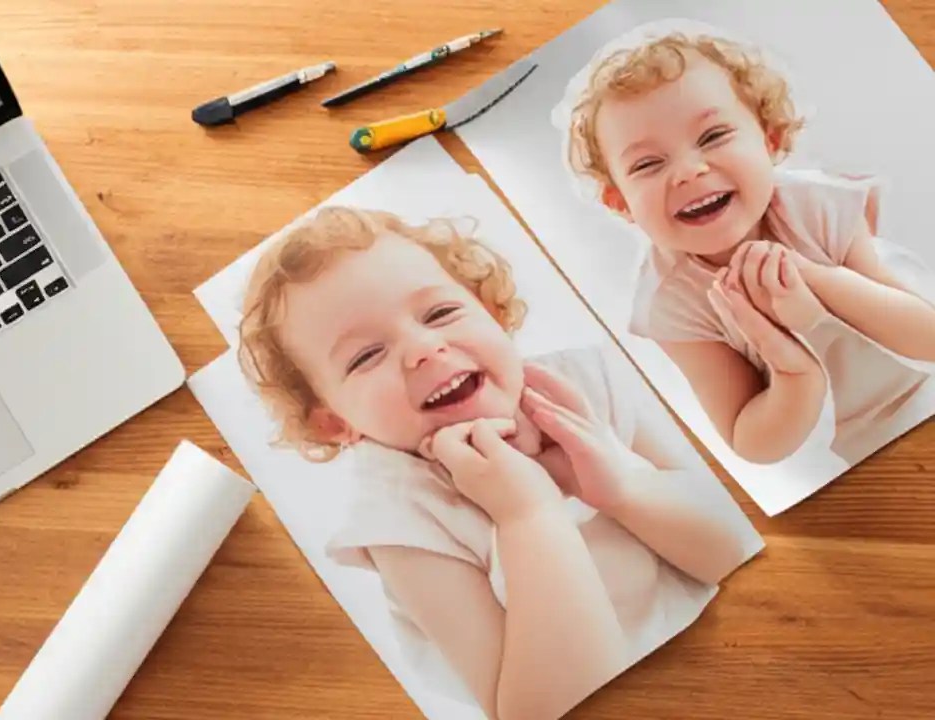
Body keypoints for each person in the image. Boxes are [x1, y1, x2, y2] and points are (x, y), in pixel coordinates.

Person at [237, 206, 760, 719]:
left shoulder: (585, 381)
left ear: (492, 310)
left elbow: (733, 550)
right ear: (334, 422)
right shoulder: (398, 517)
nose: (424, 348)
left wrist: (618, 488)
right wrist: (527, 516)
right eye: (365, 356)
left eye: (440, 313)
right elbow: (543, 708)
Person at [562, 23, 935, 465]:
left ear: (770, 140)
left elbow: (926, 340)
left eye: (713, 136)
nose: (688, 171)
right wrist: (792, 369)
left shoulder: (816, 206)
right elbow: (751, 441)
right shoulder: (670, 304)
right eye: (648, 164)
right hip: (861, 439)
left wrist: (812, 277)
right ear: (620, 202)